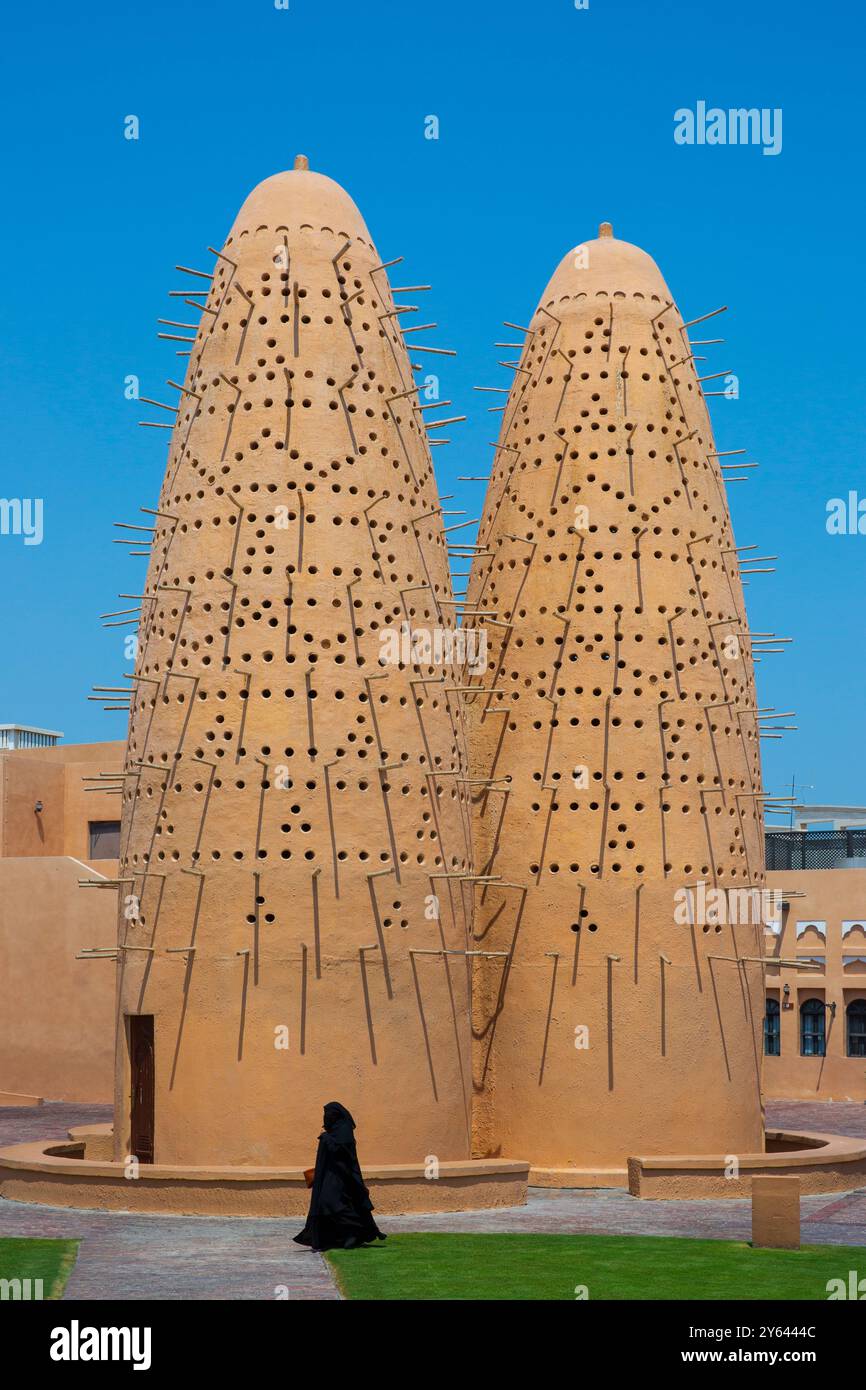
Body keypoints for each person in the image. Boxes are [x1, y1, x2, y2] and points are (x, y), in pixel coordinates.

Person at [293, 1101, 387, 1252]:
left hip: (343, 1177)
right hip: (330, 1176)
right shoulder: (332, 1132)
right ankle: (346, 1236)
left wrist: (326, 1138)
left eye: (329, 1114)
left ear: (336, 1115)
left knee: (329, 1202)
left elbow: (341, 1151)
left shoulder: (344, 1130)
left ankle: (355, 1230)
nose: (326, 1118)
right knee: (329, 1203)